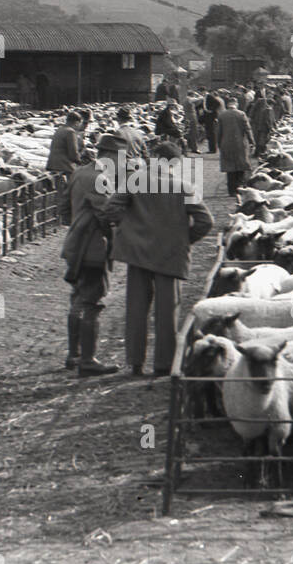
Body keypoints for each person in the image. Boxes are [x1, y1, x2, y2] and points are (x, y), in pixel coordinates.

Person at [99, 138, 213, 377]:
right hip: (169, 255)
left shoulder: (134, 181)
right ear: (174, 162)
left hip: (138, 253)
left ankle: (135, 362)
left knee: (136, 308)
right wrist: (184, 239)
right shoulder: (184, 186)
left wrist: (129, 229)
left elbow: (111, 209)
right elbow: (205, 221)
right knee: (167, 310)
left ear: (153, 158)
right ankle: (164, 364)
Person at [58, 134, 123, 376]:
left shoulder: (80, 172)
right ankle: (88, 359)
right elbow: (107, 213)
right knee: (92, 300)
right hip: (92, 246)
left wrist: (76, 223)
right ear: (110, 156)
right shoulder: (100, 178)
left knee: (77, 298)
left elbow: (64, 206)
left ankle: (74, 354)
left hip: (75, 243)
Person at [217, 94, 255, 196]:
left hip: (226, 143)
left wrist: (219, 143)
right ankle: (240, 188)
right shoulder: (241, 114)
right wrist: (252, 141)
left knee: (230, 167)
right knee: (241, 165)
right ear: (236, 104)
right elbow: (248, 129)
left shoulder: (222, 115)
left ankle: (231, 190)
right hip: (240, 143)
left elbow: (218, 131)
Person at [46, 111, 85, 179]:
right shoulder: (70, 132)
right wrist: (80, 162)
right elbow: (73, 153)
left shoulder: (60, 129)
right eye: (79, 123)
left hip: (52, 164)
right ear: (76, 123)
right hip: (64, 166)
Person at [248, 88, 274, 156]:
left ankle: (261, 152)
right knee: (257, 138)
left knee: (263, 139)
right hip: (257, 122)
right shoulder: (260, 101)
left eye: (272, 95)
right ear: (266, 95)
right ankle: (257, 152)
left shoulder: (270, 102)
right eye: (269, 95)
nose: (270, 97)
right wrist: (250, 117)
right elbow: (253, 109)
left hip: (264, 123)